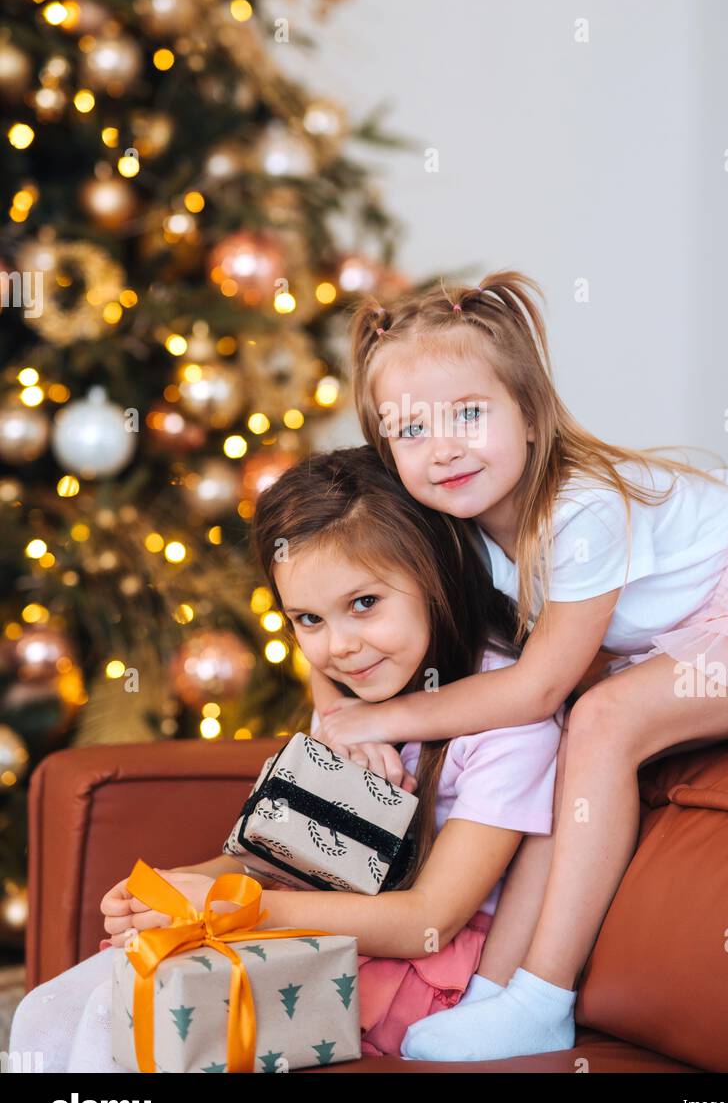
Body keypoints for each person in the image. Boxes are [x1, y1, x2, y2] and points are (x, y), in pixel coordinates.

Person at [313, 269, 728, 1061]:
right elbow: (332, 600)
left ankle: (544, 995)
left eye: (469, 414)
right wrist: (342, 720)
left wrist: (385, 718)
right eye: (410, 430)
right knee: (565, 736)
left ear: (531, 416)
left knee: (602, 715)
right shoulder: (455, 524)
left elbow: (536, 683)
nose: (444, 450)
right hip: (701, 623)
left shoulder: (579, 509)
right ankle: (494, 992)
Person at [8, 445, 564, 1069]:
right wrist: (178, 891)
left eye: (364, 604)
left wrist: (240, 909)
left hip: (419, 973)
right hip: (318, 932)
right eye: (308, 618)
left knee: (128, 1015)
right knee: (46, 1011)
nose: (341, 648)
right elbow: (278, 866)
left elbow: (425, 920)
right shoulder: (357, 707)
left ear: (438, 574)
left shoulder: (510, 728)